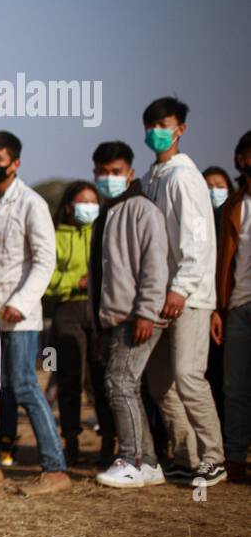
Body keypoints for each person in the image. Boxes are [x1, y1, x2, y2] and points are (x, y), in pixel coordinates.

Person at [0, 130, 69, 495]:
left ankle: (56, 468)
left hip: (19, 316)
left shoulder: (32, 203)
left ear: (15, 164)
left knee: (25, 386)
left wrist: (21, 302)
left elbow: (45, 261)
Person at [139, 97, 224, 486]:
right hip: (159, 297)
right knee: (159, 382)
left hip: (188, 297)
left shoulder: (184, 178)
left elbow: (198, 242)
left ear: (180, 129)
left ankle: (213, 457)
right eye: (152, 124)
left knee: (189, 376)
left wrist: (181, 288)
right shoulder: (152, 178)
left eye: (165, 124)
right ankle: (184, 454)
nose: (157, 131)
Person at [88, 142, 170, 488]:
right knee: (124, 385)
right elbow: (100, 274)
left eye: (116, 172)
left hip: (136, 316)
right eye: (103, 172)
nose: (109, 178)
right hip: (112, 318)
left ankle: (133, 458)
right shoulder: (105, 214)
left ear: (130, 173)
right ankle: (147, 461)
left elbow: (155, 266)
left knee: (120, 384)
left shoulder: (142, 211)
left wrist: (147, 312)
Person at [45, 180, 113, 465]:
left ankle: (109, 440)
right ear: (70, 205)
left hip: (99, 309)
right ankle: (70, 439)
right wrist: (75, 281)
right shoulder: (54, 235)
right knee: (68, 378)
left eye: (92, 201)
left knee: (101, 377)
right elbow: (46, 277)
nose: (88, 207)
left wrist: (96, 283)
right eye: (82, 201)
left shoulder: (104, 231)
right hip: (67, 309)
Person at [213, 131, 251, 481]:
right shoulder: (234, 206)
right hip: (237, 306)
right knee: (235, 387)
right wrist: (218, 307)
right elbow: (221, 262)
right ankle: (235, 459)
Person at [203, 165, 234, 425]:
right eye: (208, 186)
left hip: (234, 304)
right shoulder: (198, 226)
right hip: (208, 308)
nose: (214, 191)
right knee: (213, 375)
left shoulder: (233, 217)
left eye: (219, 185)